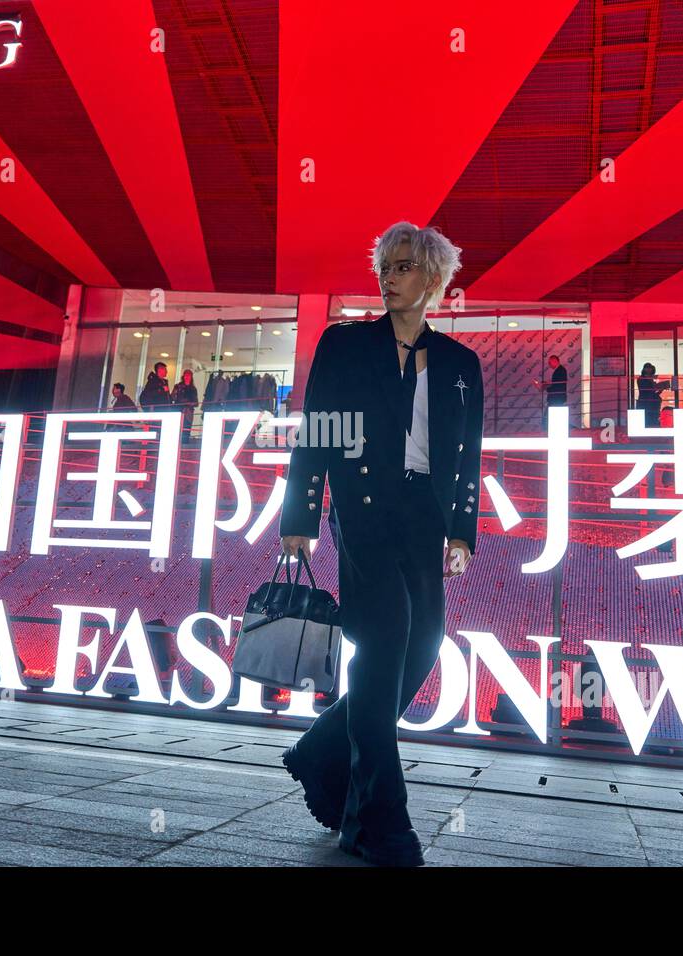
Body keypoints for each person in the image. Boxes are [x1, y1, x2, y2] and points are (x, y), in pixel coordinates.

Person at [278, 221, 483, 868]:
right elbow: (317, 431)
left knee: (420, 649)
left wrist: (462, 529)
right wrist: (302, 516)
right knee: (381, 648)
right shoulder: (345, 345)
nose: (387, 278)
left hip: (425, 518)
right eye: (384, 268)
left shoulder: (459, 363)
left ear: (432, 278)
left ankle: (321, 752)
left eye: (401, 268)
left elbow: (468, 456)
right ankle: (379, 823)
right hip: (362, 516)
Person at [171, 369, 199, 441]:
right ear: (183, 376)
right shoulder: (178, 386)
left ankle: (185, 445)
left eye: (189, 375)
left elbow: (196, 403)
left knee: (186, 430)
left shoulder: (193, 389)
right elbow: (172, 397)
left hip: (188, 412)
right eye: (186, 375)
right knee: (177, 429)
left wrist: (189, 403)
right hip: (178, 410)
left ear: (191, 377)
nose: (187, 377)